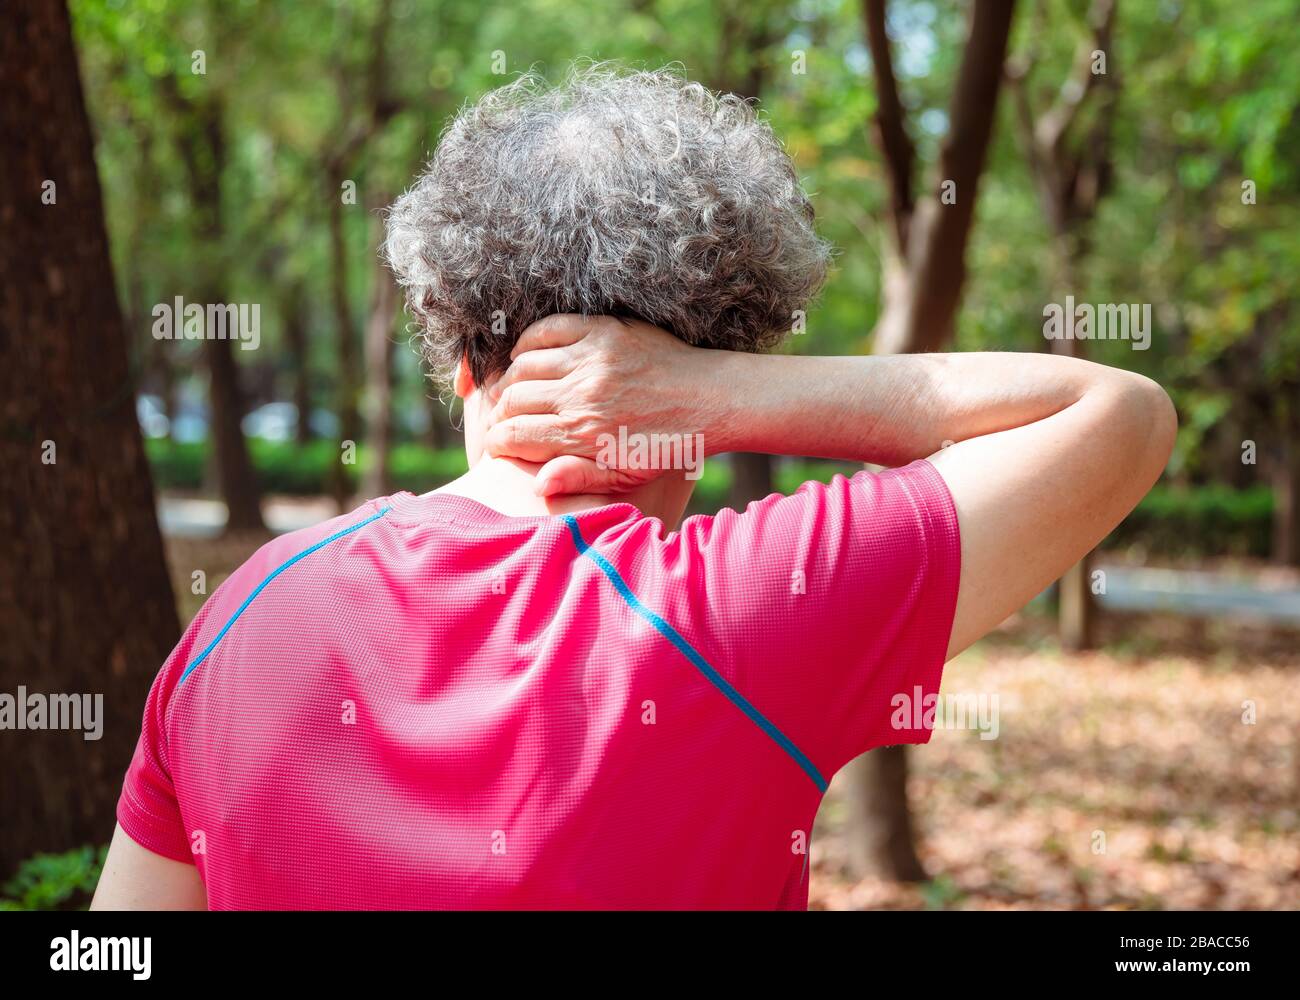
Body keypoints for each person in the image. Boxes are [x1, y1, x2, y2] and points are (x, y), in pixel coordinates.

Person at [93, 66, 1175, 910]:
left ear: (460, 361)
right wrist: (721, 388)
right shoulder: (736, 611)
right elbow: (1116, 416)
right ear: (699, 389)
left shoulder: (239, 614)